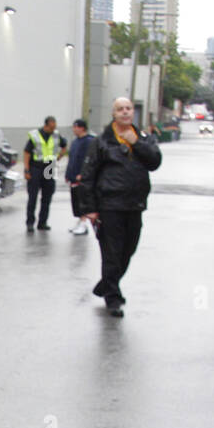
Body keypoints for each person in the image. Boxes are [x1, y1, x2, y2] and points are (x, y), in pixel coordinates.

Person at [79, 97, 161, 317]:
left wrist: (137, 143)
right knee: (112, 253)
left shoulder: (142, 137)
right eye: (120, 109)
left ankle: (106, 284)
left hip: (135, 205)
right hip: (110, 205)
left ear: (133, 112)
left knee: (128, 250)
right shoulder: (102, 142)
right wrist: (90, 208)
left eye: (128, 108)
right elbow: (88, 175)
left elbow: (155, 162)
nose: (125, 112)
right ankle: (113, 298)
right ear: (113, 114)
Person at [22, 115, 66, 231]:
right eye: (51, 127)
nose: (53, 130)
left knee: (47, 196)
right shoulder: (35, 136)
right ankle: (30, 223)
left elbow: (64, 146)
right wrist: (26, 170)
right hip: (36, 166)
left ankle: (43, 222)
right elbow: (26, 153)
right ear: (46, 125)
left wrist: (59, 156)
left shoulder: (56, 135)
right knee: (33, 197)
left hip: (50, 166)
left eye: (54, 127)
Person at [65, 118, 95, 235]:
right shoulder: (75, 142)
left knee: (82, 200)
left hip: (81, 178)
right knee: (75, 200)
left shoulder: (89, 142)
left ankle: (84, 223)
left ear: (82, 128)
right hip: (73, 176)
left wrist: (83, 174)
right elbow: (72, 159)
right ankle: (79, 221)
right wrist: (68, 174)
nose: (74, 129)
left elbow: (88, 160)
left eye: (75, 127)